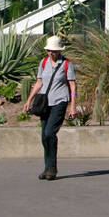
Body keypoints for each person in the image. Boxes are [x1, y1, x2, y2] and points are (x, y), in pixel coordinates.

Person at [24, 35, 77, 180]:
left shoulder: (66, 64)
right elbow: (39, 82)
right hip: (45, 103)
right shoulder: (43, 63)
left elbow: (72, 85)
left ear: (59, 51)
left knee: (49, 133)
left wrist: (72, 106)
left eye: (53, 51)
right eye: (49, 50)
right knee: (44, 137)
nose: (51, 53)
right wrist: (29, 99)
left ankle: (52, 168)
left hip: (60, 101)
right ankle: (47, 168)